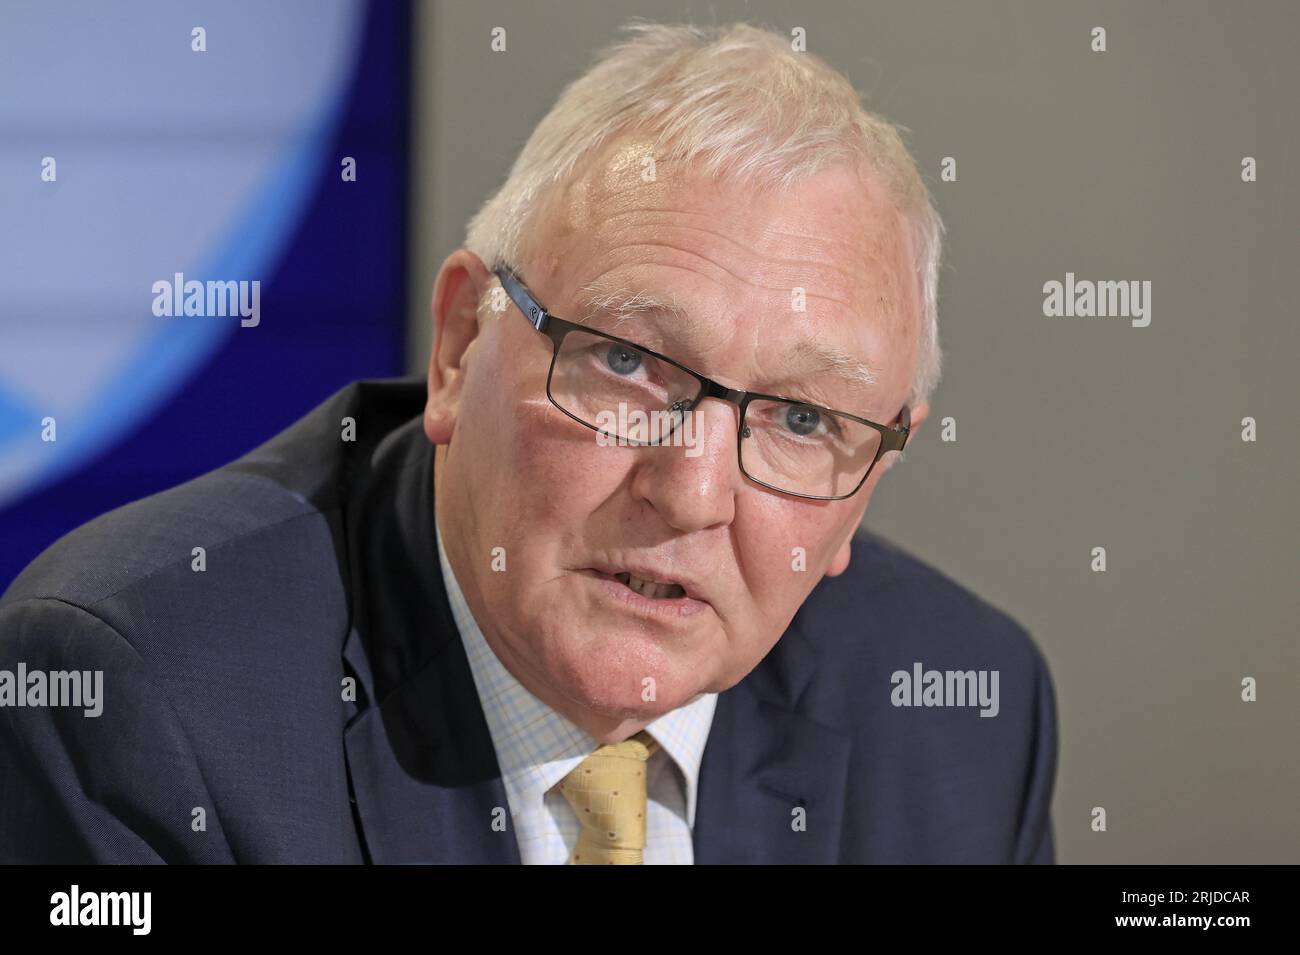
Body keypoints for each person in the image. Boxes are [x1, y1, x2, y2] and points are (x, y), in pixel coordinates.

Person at [0, 21, 1056, 863]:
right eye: (630, 361)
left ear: (870, 474)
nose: (691, 493)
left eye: (799, 419)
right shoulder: (136, 695)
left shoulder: (960, 713)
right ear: (461, 344)